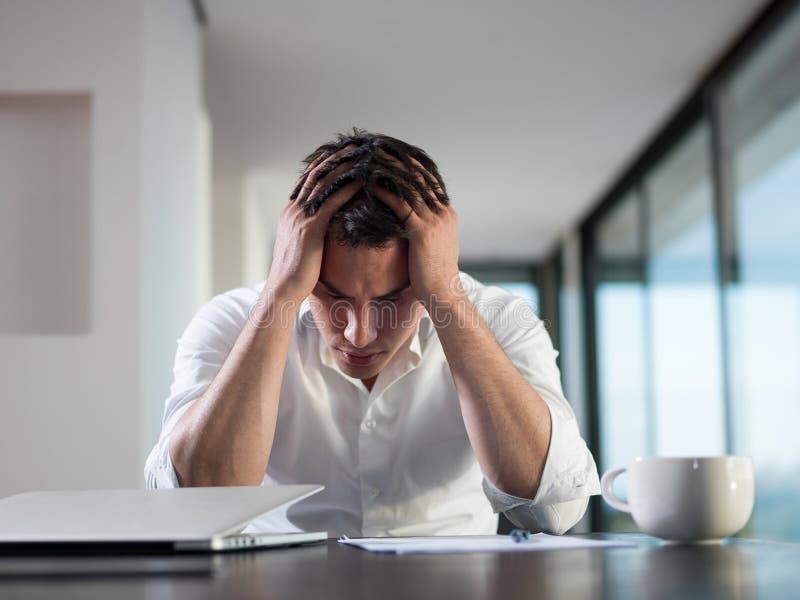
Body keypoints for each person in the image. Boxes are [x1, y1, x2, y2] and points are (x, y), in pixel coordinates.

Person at [144, 128, 600, 537]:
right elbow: (191, 508)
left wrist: (443, 294)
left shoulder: (501, 320)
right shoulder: (229, 322)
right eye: (331, 296)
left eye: (391, 300)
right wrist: (282, 293)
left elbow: (554, 511)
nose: (359, 335)